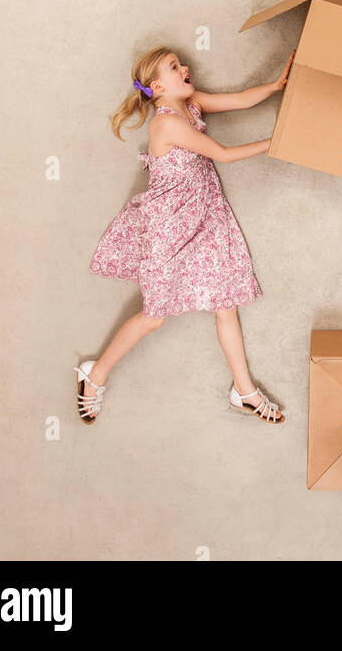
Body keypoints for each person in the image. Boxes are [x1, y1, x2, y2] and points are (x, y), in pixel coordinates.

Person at [75, 47, 293, 426]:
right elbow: (222, 155)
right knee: (155, 315)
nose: (185, 68)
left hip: (203, 214)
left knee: (226, 302)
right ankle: (94, 374)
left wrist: (275, 86)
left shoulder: (191, 105)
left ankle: (243, 390)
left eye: (181, 63)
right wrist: (277, 142)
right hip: (171, 225)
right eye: (174, 67)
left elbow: (239, 100)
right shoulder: (166, 125)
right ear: (158, 87)